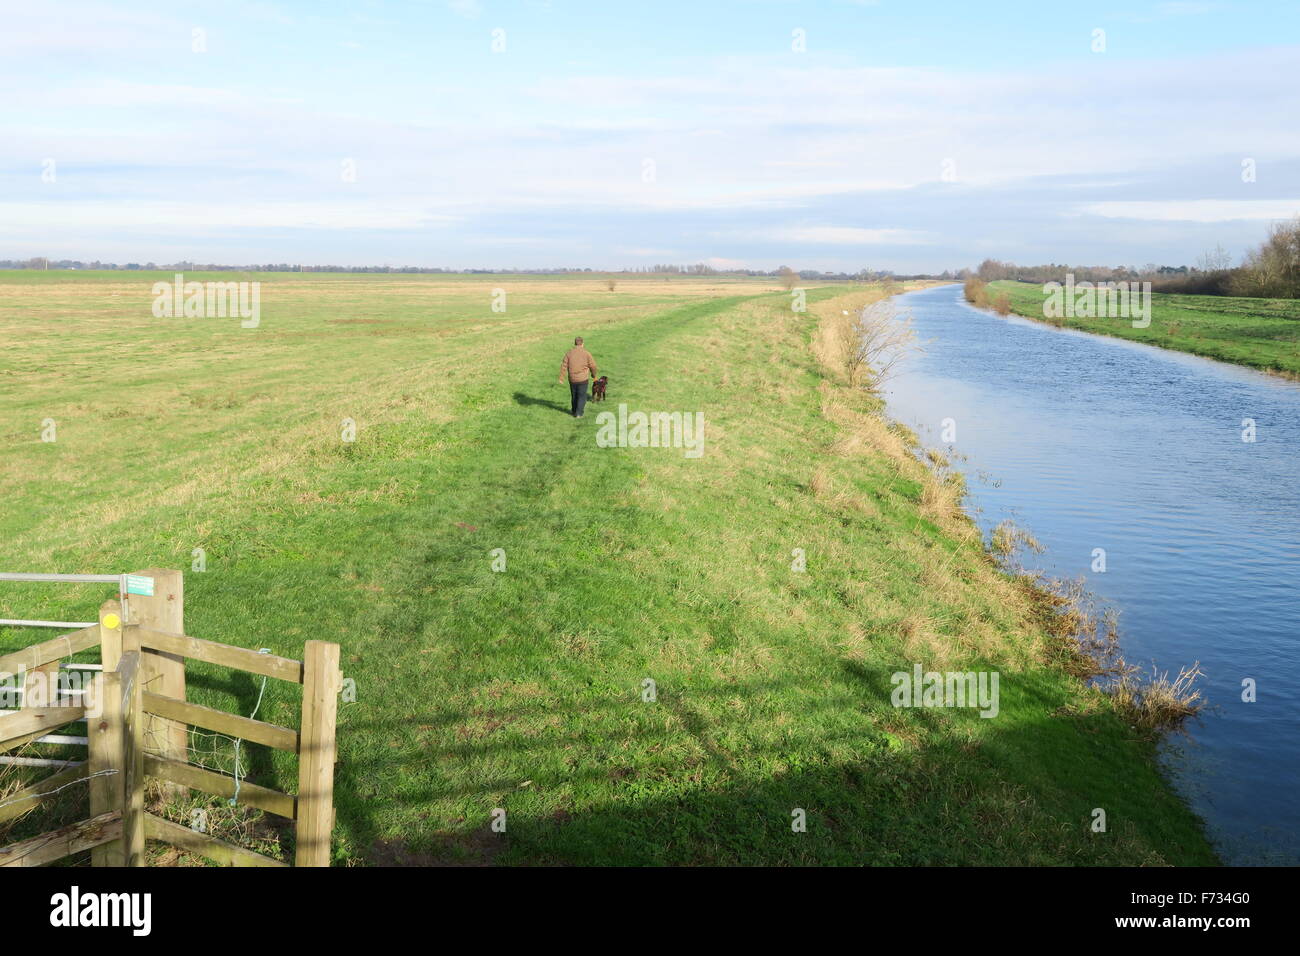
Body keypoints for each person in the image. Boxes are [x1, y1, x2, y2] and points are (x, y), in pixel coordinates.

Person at [558, 336, 598, 418]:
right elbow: (593, 366)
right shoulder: (587, 353)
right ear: (582, 344)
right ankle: (579, 413)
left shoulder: (569, 353)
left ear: (575, 343)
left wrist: (561, 378)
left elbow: (564, 366)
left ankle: (574, 411)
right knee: (582, 396)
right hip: (583, 379)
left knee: (574, 395)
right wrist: (594, 375)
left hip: (572, 379)